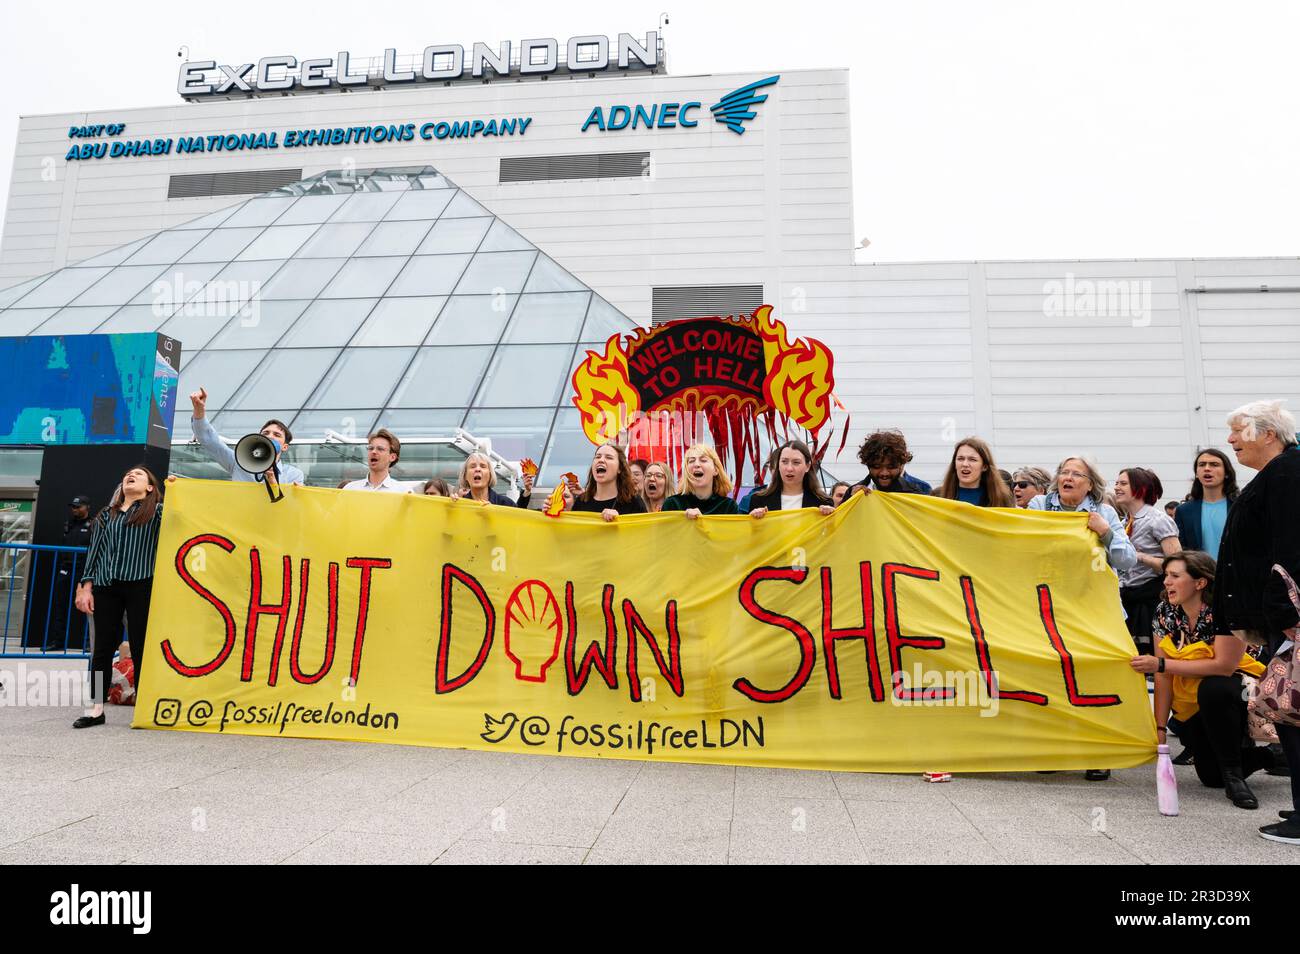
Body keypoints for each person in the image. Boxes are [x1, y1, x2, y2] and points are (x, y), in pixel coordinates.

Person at [1212, 399, 1300, 845]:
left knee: (1291, 710)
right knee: (1288, 709)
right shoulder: (1278, 474)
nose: (1230, 440)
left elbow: (1291, 546)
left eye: (1238, 431)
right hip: (1280, 618)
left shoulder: (1287, 473)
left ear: (1268, 434)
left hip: (1289, 620)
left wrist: (1284, 613)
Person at [1129, 551, 1270, 808]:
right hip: (1190, 698)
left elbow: (1224, 666)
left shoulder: (1225, 610)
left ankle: (1235, 778)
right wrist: (1160, 728)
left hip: (1239, 692)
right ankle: (1269, 757)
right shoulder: (1165, 611)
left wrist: (1159, 663)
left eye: (1175, 576)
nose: (1166, 582)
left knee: (1214, 688)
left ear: (1200, 582)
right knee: (1210, 777)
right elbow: (1163, 676)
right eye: (1165, 576)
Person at [1028, 455, 1137, 781]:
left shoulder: (1104, 513)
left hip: (1093, 612)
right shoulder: (1038, 505)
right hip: (1049, 609)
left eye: (1077, 474)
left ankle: (1097, 751)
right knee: (1051, 676)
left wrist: (1106, 534)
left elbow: (1127, 560)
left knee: (1094, 677)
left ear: (1090, 484)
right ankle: (1053, 748)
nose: (1069, 478)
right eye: (1065, 472)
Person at [72, 467, 164, 729]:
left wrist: (177, 488)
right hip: (105, 585)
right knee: (102, 647)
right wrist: (86, 586)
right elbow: (94, 552)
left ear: (149, 487)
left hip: (141, 584)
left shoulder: (156, 512)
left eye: (138, 475)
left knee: (140, 645)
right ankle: (95, 709)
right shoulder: (105, 515)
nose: (130, 476)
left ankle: (145, 707)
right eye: (127, 474)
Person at [1114, 467, 1181, 654]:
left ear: (1140, 488)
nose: (1117, 487)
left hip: (1150, 599)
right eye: (1117, 483)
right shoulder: (1124, 521)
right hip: (1127, 596)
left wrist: (1140, 557)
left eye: (1123, 483)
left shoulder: (1158, 520)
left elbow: (1176, 563)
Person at [188, 387, 305, 486]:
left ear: (284, 446)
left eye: (277, 434)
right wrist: (199, 410)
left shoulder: (293, 474)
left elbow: (291, 507)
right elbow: (210, 441)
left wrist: (273, 484)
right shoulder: (238, 462)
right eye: (265, 433)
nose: (270, 436)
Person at [44, 494, 94, 652]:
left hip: (84, 571)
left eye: (78, 506)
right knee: (60, 605)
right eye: (73, 506)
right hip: (66, 569)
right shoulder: (68, 525)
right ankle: (58, 641)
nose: (75, 509)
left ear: (87, 507)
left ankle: (88, 642)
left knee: (88, 607)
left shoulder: (93, 524)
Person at [1174, 448, 1238, 557]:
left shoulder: (1240, 506)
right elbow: (1182, 549)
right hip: (1201, 572)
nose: (1207, 468)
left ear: (1227, 473)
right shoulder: (1184, 511)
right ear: (1196, 474)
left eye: (1214, 464)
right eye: (1202, 464)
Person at [747, 440, 835, 518]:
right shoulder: (758, 500)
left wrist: (832, 518)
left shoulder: (823, 502)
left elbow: (831, 534)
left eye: (796, 462)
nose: (789, 468)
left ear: (807, 466)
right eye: (784, 462)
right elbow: (753, 534)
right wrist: (753, 520)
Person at [563, 443, 647, 521]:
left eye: (609, 457)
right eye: (597, 457)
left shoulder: (633, 502)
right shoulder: (581, 501)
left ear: (620, 469)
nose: (601, 460)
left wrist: (620, 521)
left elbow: (644, 534)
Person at [663, 445, 740, 517]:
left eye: (703, 460)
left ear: (716, 470)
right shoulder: (672, 504)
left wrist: (702, 522)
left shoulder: (729, 507)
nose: (696, 464)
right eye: (691, 461)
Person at [849, 429, 931, 496]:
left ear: (901, 465)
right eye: (877, 466)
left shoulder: (915, 494)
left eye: (891, 467)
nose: (884, 473)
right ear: (868, 465)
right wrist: (852, 503)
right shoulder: (853, 493)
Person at [936, 437, 1014, 507]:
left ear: (984, 466)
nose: (965, 464)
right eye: (960, 458)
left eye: (972, 459)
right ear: (954, 463)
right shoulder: (937, 496)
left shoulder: (1001, 498)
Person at [342, 429, 411, 493]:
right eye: (370, 448)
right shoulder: (350, 489)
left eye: (380, 449)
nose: (373, 451)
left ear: (392, 457)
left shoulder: (403, 491)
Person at [456, 451, 530, 507]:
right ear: (465, 475)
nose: (477, 469)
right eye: (472, 466)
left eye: (483, 466)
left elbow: (519, 520)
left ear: (490, 474)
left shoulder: (505, 504)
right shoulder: (459, 505)